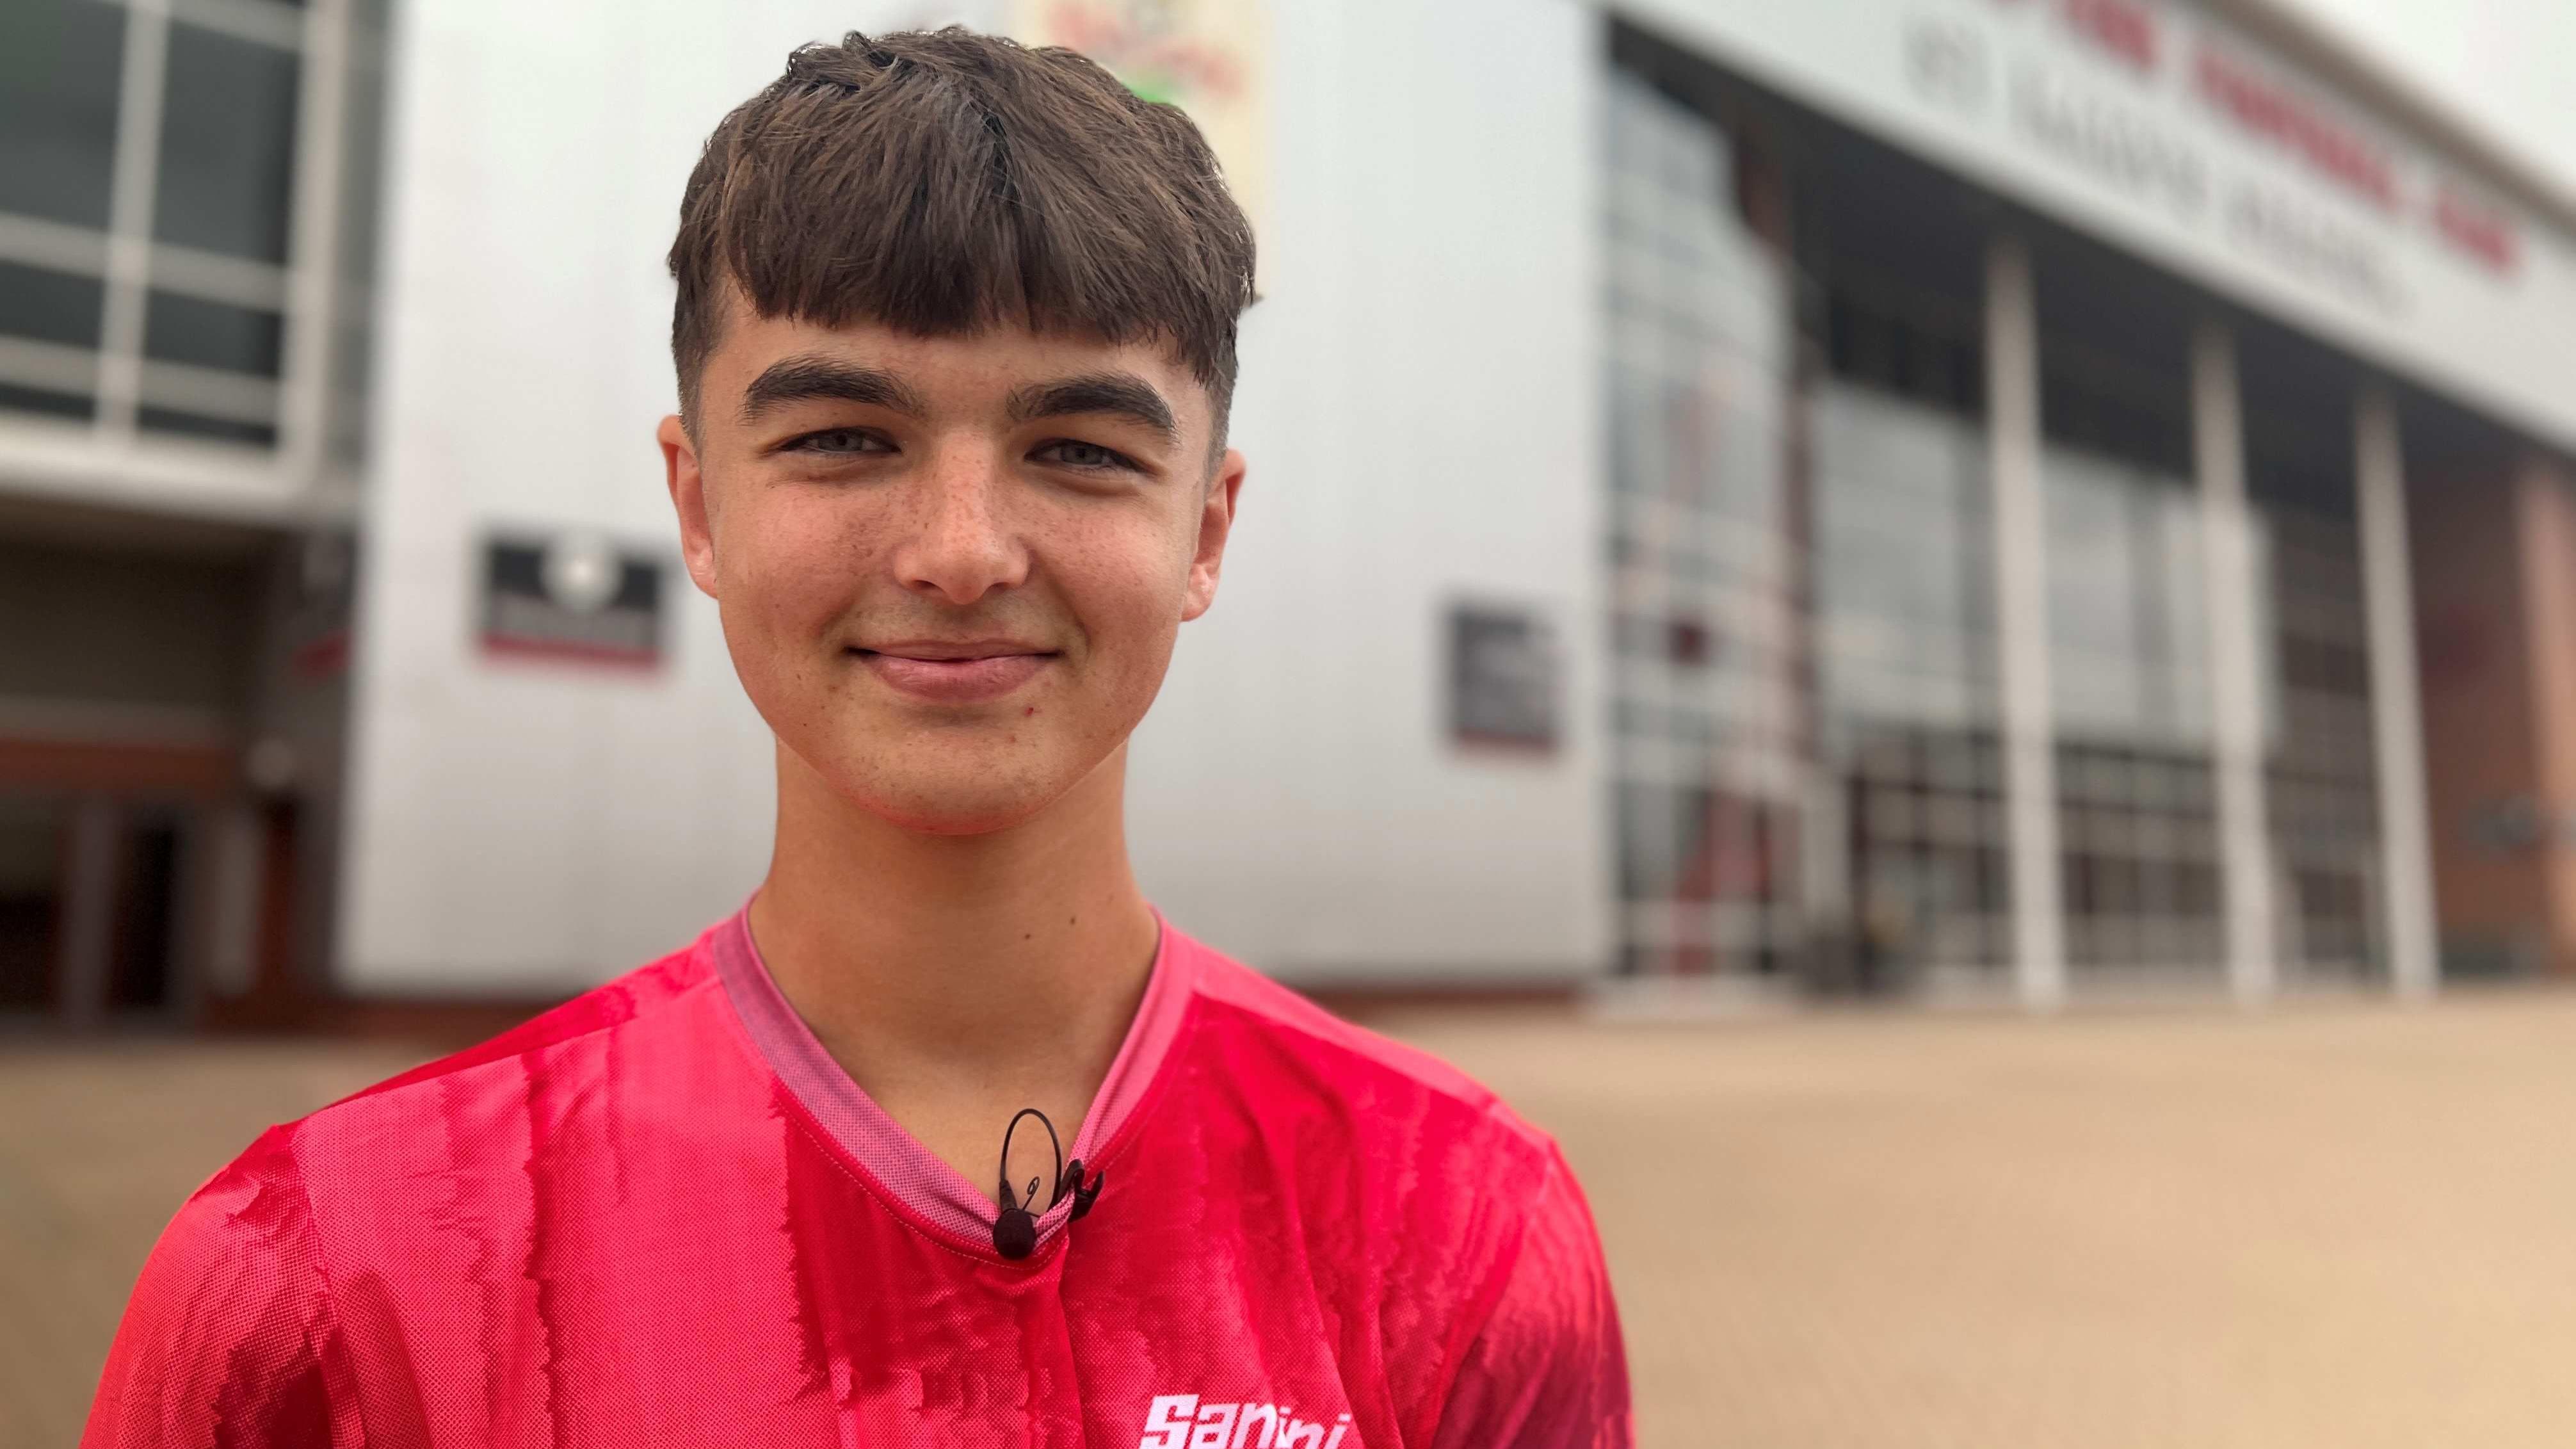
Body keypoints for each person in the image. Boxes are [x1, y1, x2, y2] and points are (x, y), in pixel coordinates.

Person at [83, 28, 1631, 1448]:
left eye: (1079, 449)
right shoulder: (325, 1276)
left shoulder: (1460, 1228)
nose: (960, 552)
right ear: (699, 504)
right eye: (841, 438)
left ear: (1205, 530)